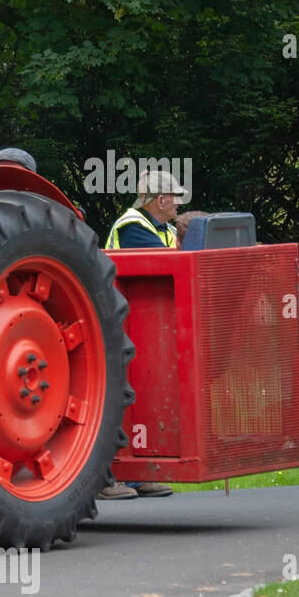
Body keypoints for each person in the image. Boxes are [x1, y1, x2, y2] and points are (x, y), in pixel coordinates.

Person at [99, 169, 191, 500]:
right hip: (120, 323)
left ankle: (139, 473)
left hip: (143, 323)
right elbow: (171, 262)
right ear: (160, 199)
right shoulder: (133, 227)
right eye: (175, 197)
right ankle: (108, 476)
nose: (180, 203)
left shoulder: (160, 227)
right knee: (119, 399)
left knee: (145, 397)